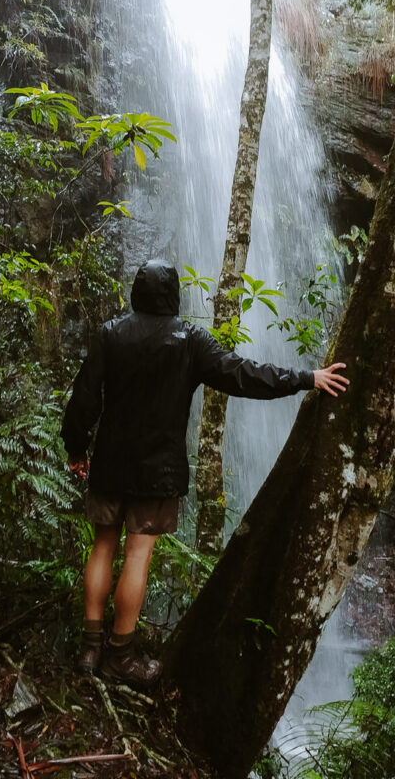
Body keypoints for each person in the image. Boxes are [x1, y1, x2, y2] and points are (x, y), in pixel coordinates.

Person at [61, 258, 349, 686]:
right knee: (136, 555)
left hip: (110, 463)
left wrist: (76, 448)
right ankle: (120, 655)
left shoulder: (111, 334)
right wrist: (305, 377)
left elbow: (84, 397)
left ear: (136, 291)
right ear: (174, 295)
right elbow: (242, 375)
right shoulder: (189, 340)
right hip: (156, 473)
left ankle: (89, 649)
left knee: (103, 546)